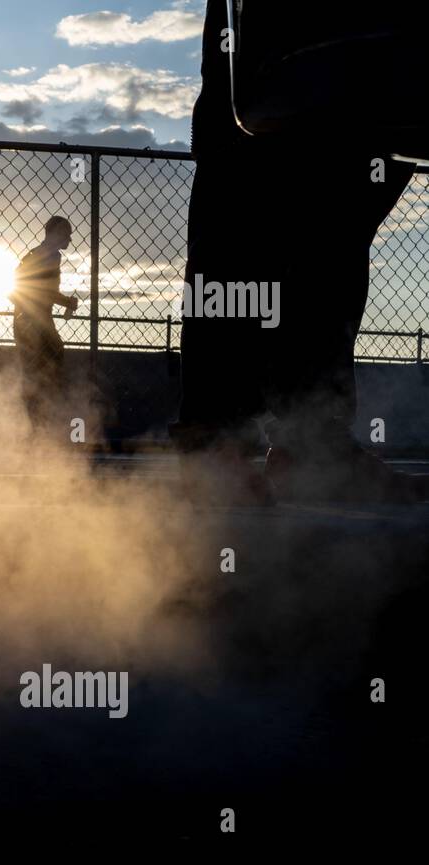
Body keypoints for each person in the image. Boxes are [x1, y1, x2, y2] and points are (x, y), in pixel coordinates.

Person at [173, 0, 421, 503]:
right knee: (242, 204)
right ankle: (216, 440)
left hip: (375, 44)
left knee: (340, 228)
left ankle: (311, 443)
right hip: (277, 35)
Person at [12, 215, 78, 427]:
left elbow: (23, 289)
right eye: (67, 234)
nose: (69, 239)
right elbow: (43, 292)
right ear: (57, 234)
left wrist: (63, 302)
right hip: (34, 320)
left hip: (30, 320)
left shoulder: (38, 255)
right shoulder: (48, 256)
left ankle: (37, 423)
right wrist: (67, 302)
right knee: (47, 362)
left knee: (40, 366)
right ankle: (40, 422)